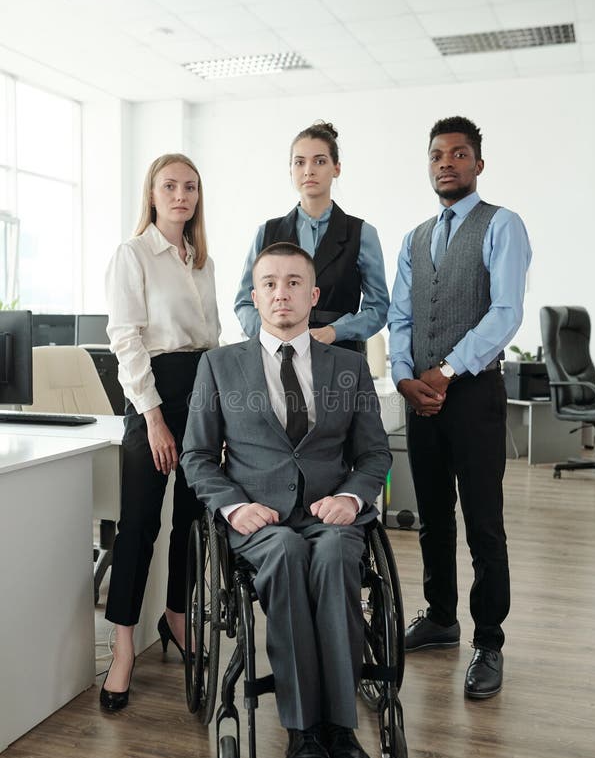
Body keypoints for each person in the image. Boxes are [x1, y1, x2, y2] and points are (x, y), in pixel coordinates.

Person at [182, 243, 392, 758]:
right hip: (261, 521)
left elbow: (373, 454)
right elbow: (198, 457)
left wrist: (351, 498)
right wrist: (232, 506)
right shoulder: (220, 365)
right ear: (255, 297)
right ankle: (302, 736)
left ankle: (341, 731)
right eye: (270, 283)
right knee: (287, 552)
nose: (282, 293)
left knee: (333, 557)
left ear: (313, 295)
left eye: (294, 283)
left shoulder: (348, 366)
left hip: (333, 515)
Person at [388, 116, 531, 699]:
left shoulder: (503, 225)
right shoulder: (415, 238)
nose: (446, 162)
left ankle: (489, 639)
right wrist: (403, 378)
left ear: (478, 163)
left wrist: (444, 371)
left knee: (482, 521)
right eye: (436, 155)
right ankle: (442, 617)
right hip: (420, 396)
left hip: (471, 394)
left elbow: (505, 313)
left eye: (458, 153)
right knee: (432, 518)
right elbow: (401, 316)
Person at [100, 153, 220, 711]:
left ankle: (177, 614)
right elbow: (126, 340)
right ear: (151, 194)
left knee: (193, 522)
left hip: (202, 393)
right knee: (140, 525)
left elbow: (211, 341)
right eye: (169, 186)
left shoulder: (202, 261)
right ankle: (122, 644)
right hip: (153, 394)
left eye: (189, 187)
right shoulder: (133, 254)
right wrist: (151, 417)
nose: (180, 195)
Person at [234, 120, 389, 353]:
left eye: (319, 161)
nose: (308, 170)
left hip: (341, 353)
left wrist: (335, 331)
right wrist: (272, 334)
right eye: (299, 162)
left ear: (336, 168)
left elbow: (378, 308)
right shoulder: (266, 233)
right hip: (278, 354)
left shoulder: (362, 233)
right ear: (290, 170)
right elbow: (244, 302)